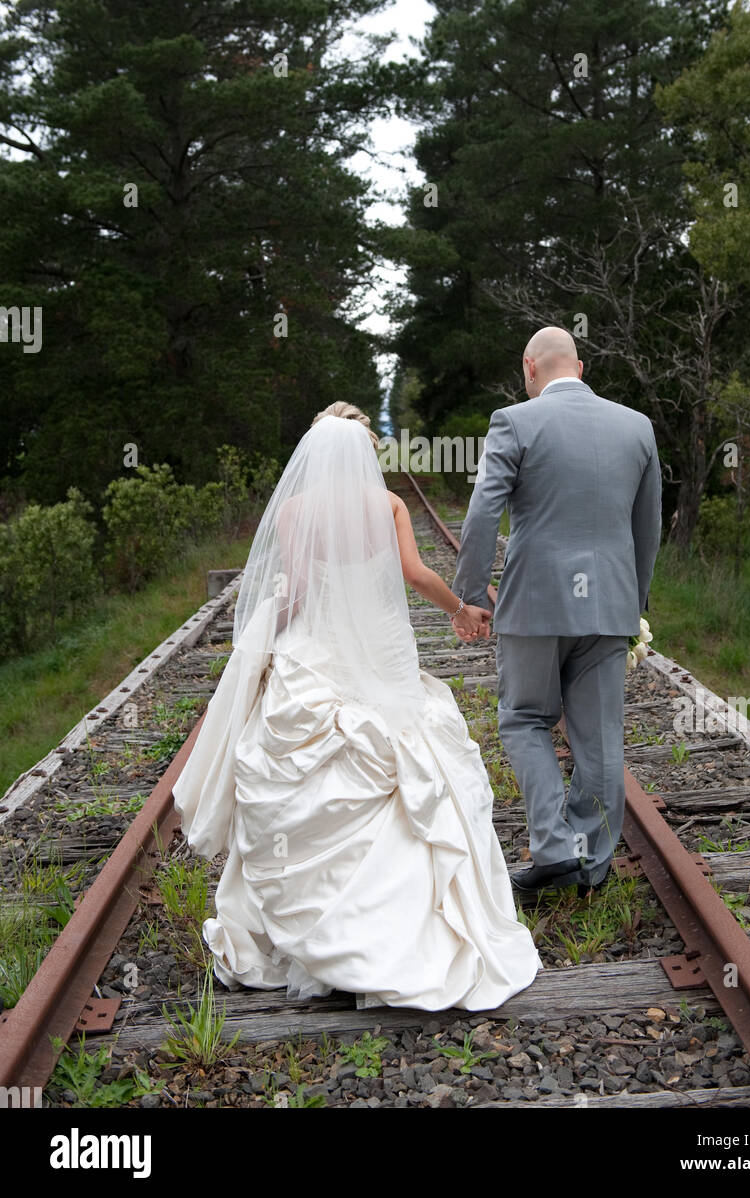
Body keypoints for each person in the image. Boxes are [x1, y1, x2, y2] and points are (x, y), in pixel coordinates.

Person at [172, 401, 541, 1010]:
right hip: (380, 656)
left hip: (316, 652)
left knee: (294, 773)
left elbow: (295, 587)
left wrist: (267, 639)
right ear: (366, 450)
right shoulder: (388, 505)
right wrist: (462, 611)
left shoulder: (295, 510)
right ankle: (406, 926)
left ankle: (310, 932)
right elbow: (416, 575)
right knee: (407, 762)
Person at [453, 327, 662, 897]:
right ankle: (591, 864)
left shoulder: (514, 422)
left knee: (525, 718)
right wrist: (632, 607)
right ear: (582, 366)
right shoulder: (637, 427)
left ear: (530, 367)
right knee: (600, 739)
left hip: (536, 606)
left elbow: (480, 517)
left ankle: (552, 847)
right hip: (610, 609)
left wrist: (472, 595)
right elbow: (648, 532)